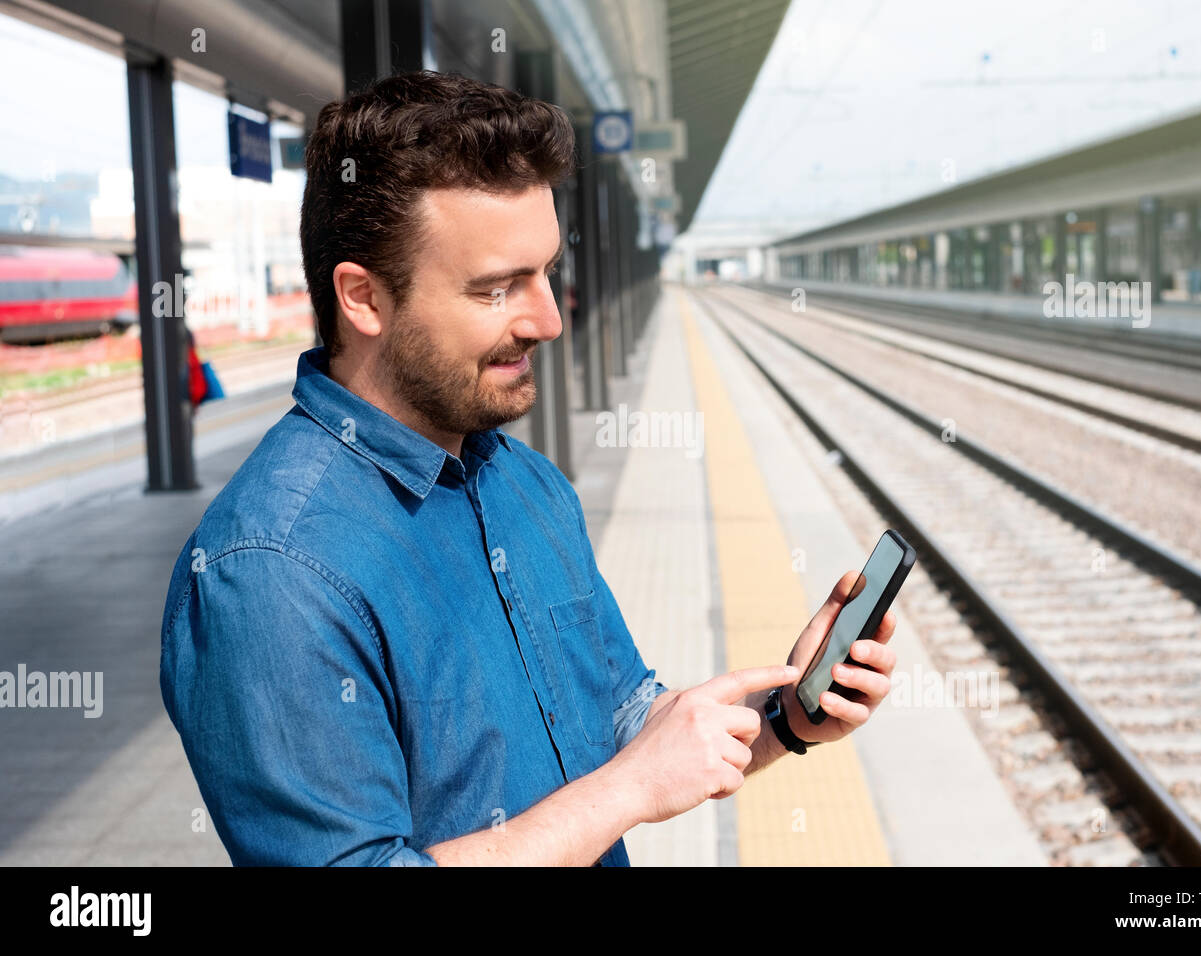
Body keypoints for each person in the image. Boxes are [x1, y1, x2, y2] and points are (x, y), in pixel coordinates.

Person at [158, 70, 897, 867]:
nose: (547, 319)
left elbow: (622, 720)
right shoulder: (271, 571)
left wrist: (784, 715)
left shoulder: (525, 483)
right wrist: (627, 792)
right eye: (497, 289)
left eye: (546, 272)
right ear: (364, 298)